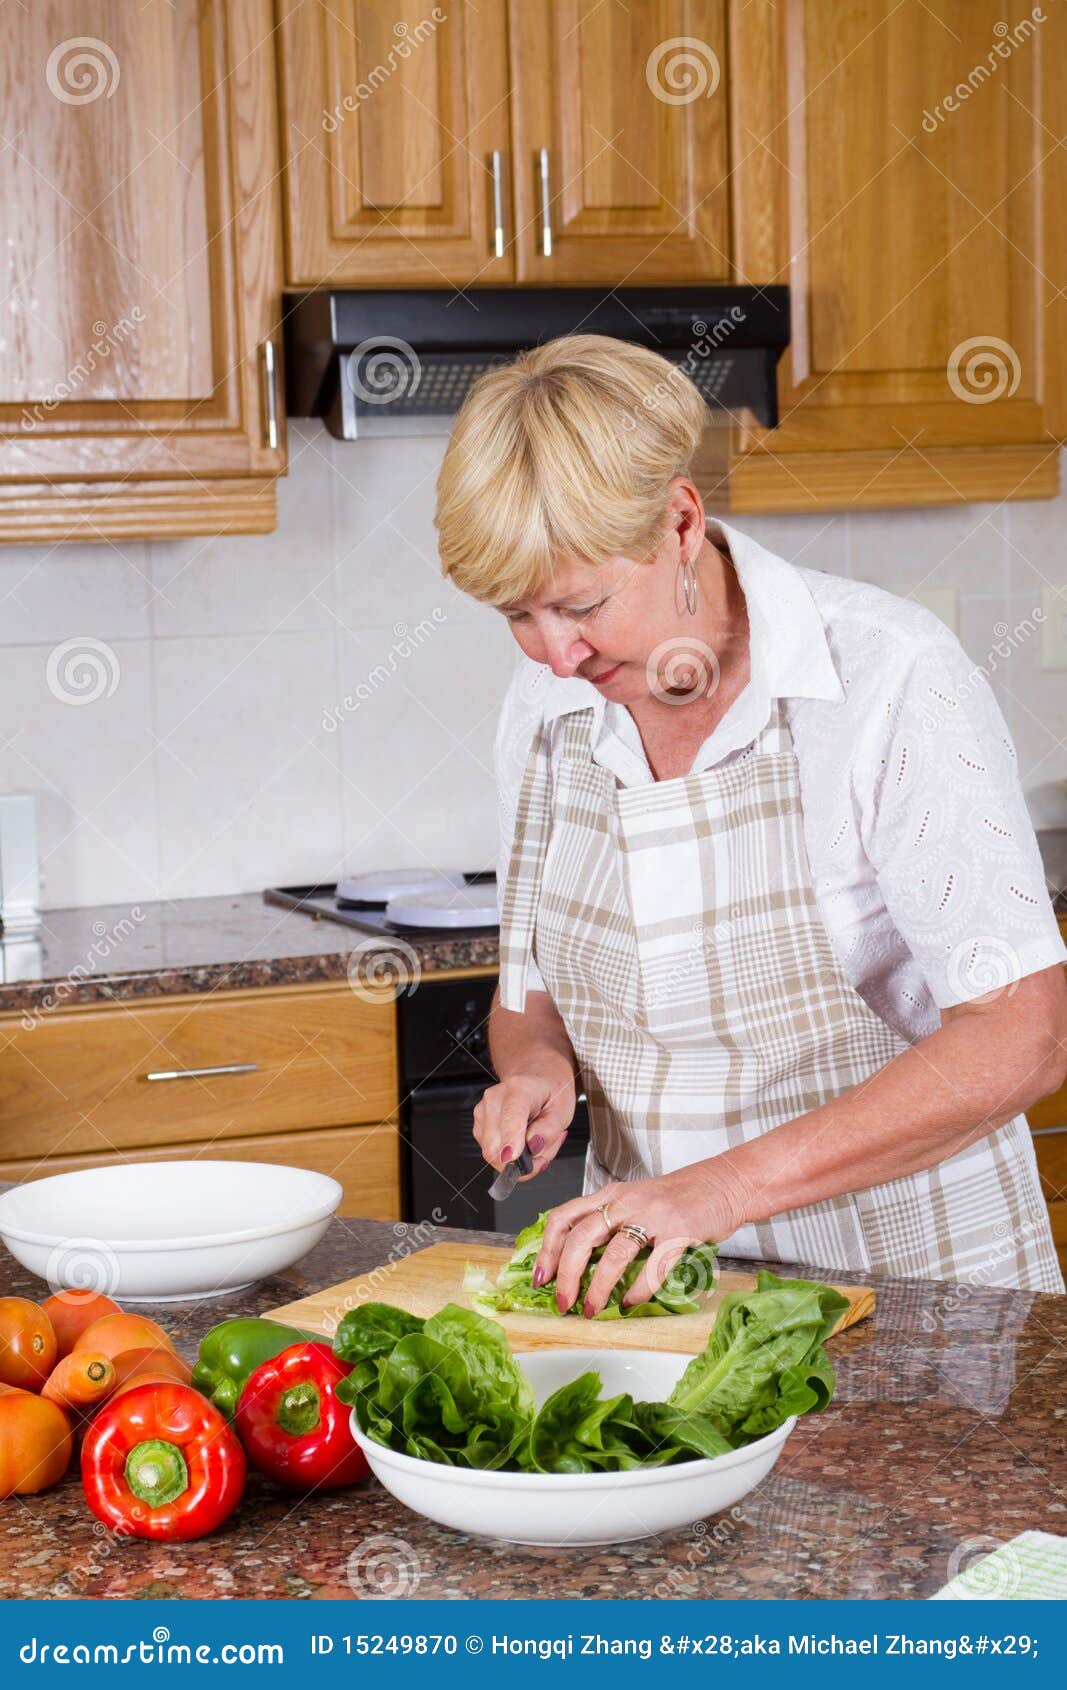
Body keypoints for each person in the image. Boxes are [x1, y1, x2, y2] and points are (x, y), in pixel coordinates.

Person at [433, 333, 1067, 1312]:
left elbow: (1023, 1036)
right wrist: (536, 1068)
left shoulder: (883, 676)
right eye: (518, 615)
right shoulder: (547, 707)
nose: (555, 655)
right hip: (662, 1297)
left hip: (917, 1290)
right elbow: (530, 994)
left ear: (680, 521)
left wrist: (719, 1189)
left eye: (581, 604)